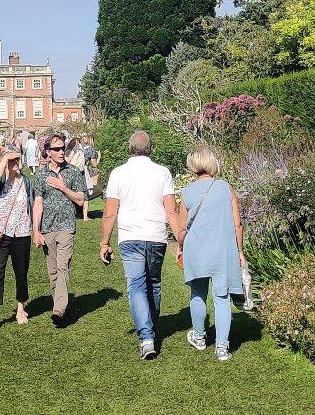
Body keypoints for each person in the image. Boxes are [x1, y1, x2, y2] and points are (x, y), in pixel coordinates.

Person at [99, 130, 185, 360]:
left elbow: (109, 213)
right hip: (156, 236)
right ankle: (151, 329)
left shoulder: (118, 173)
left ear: (130, 148)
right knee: (154, 284)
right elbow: (171, 211)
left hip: (130, 236)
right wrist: (180, 241)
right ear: (150, 148)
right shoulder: (162, 172)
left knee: (136, 286)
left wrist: (104, 243)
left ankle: (146, 337)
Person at [177, 146, 245, 362]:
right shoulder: (226, 188)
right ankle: (222, 348)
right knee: (222, 297)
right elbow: (237, 224)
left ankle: (199, 336)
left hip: (196, 250)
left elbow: (181, 230)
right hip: (222, 250)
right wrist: (240, 251)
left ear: (193, 166)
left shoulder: (186, 193)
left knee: (197, 293)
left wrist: (180, 248)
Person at [31, 133, 88, 326]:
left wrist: (63, 187)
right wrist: (35, 230)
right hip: (47, 228)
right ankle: (60, 305)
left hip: (66, 227)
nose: (61, 151)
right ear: (48, 152)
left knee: (63, 267)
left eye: (63, 148)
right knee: (53, 271)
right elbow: (38, 203)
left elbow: (80, 199)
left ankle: (58, 309)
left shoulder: (72, 172)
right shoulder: (40, 175)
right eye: (57, 149)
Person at [0, 151, 33, 329]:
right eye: (12, 162)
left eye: (17, 161)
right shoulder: (1, 182)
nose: (15, 164)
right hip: (1, 233)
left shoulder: (26, 182)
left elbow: (32, 204)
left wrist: (35, 229)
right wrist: (6, 157)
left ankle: (21, 308)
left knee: (21, 273)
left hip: (21, 233)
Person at [65, 138, 91, 220]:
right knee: (84, 193)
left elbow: (68, 160)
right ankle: (85, 216)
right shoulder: (78, 149)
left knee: (72, 193)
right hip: (80, 172)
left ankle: (75, 214)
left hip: (72, 173)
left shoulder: (67, 151)